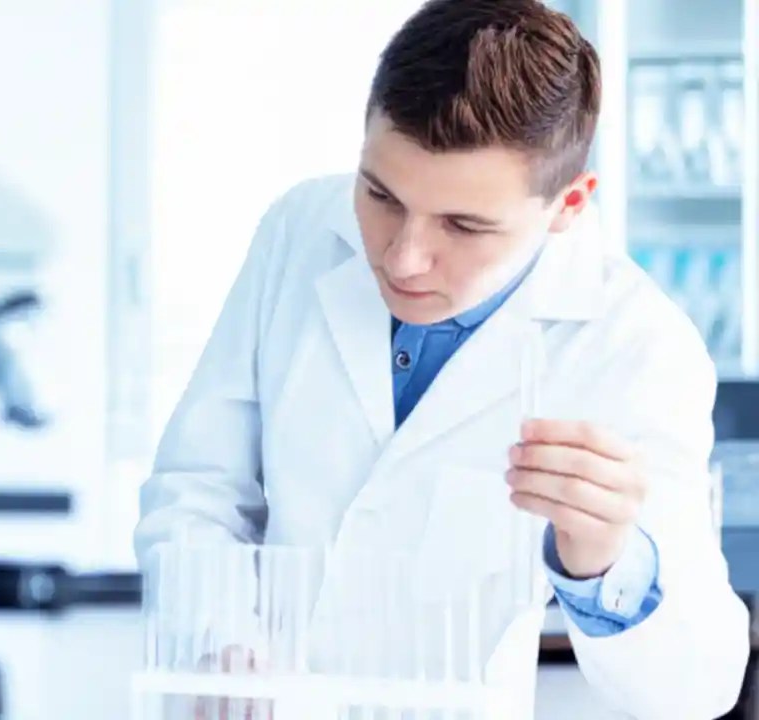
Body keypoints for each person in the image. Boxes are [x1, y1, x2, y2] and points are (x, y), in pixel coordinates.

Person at [133, 1, 750, 717]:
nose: (403, 256)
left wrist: (608, 557)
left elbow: (697, 689)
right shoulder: (301, 229)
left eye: (464, 224)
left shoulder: (634, 346)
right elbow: (198, 490)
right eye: (380, 195)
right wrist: (221, 646)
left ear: (569, 204)